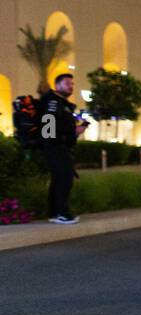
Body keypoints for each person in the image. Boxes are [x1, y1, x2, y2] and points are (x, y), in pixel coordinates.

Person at [38, 72, 88, 224]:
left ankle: (54, 213)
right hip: (55, 147)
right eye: (67, 83)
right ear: (57, 85)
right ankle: (62, 213)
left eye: (72, 84)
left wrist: (75, 131)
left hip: (59, 145)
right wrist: (72, 134)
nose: (71, 86)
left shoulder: (61, 103)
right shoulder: (53, 102)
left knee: (59, 179)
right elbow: (48, 130)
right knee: (65, 178)